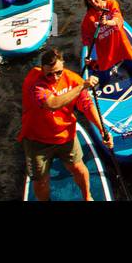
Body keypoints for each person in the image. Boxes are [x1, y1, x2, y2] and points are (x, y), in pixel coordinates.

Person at [19, 47, 111, 201]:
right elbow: (53, 103)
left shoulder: (73, 79)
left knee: (79, 168)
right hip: (37, 140)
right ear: (42, 70)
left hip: (65, 135)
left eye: (58, 72)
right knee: (41, 181)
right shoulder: (36, 83)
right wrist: (82, 86)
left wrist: (103, 130)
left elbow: (86, 106)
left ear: (63, 66)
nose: (55, 77)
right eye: (49, 74)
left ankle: (87, 197)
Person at [81, 0, 132, 80]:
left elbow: (118, 20)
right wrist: (87, 58)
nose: (92, 1)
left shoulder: (112, 4)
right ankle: (96, 66)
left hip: (121, 46)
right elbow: (87, 39)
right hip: (105, 52)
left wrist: (106, 22)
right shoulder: (89, 18)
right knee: (103, 80)